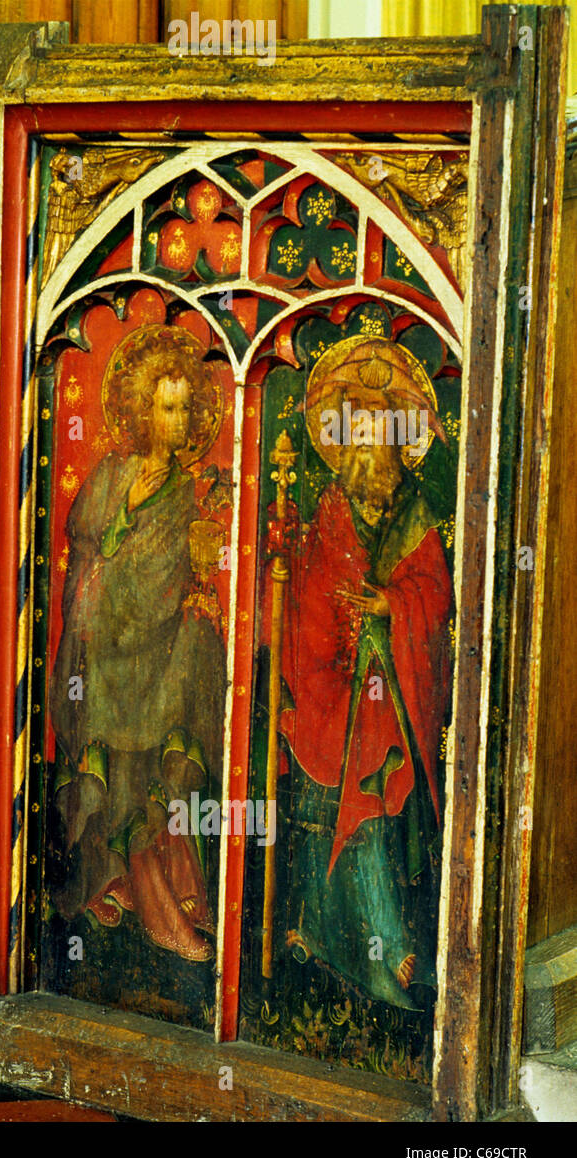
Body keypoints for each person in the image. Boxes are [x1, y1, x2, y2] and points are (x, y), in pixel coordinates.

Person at [266, 336, 452, 1009]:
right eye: (356, 431)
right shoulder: (332, 508)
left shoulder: (416, 514)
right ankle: (320, 930)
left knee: (370, 783)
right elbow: (309, 601)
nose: (366, 444)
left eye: (379, 431)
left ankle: (391, 950)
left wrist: (391, 607)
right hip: (328, 684)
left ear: (401, 440)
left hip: (392, 692)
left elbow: (435, 598)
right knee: (325, 790)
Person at [50, 324, 225, 963]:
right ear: (139, 408)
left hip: (155, 660)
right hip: (104, 659)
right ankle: (117, 887)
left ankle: (169, 902)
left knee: (157, 775)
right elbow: (88, 552)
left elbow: (174, 575)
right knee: (111, 778)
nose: (175, 421)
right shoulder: (113, 475)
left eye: (185, 408)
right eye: (165, 405)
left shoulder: (191, 492)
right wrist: (107, 585)